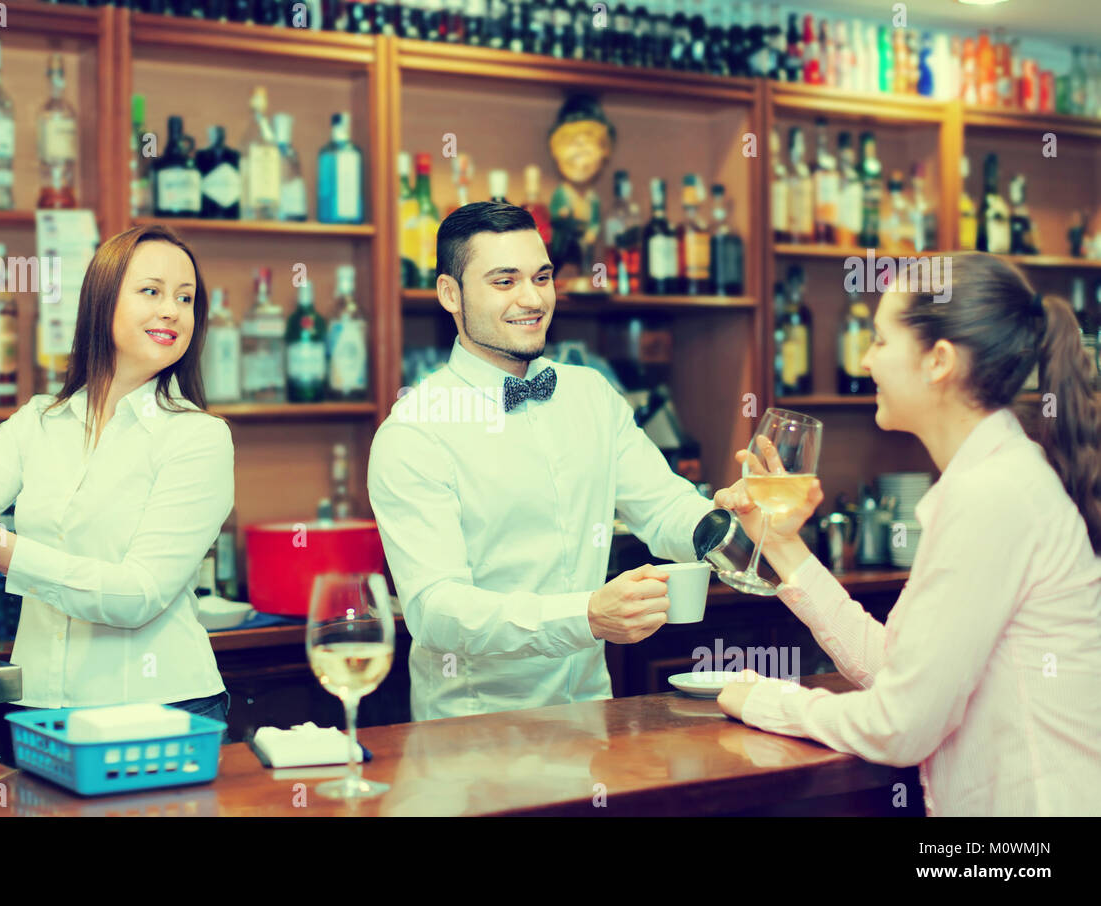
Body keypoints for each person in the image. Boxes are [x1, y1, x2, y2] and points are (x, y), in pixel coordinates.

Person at [712, 252, 1101, 816]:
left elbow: (902, 726)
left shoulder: (994, 495)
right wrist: (780, 543)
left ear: (938, 361)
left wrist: (769, 701)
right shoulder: (990, 479)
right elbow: (897, 671)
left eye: (879, 341)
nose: (865, 361)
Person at [0, 225, 235, 753]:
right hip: (40, 714)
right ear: (102, 302)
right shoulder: (39, 421)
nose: (173, 310)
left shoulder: (198, 438)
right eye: (151, 291)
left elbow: (139, 595)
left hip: (161, 712)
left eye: (186, 298)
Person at [367, 202, 716, 721]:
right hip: (474, 739)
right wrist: (586, 615)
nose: (533, 299)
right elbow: (437, 609)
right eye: (504, 281)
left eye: (542, 276)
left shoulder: (592, 395)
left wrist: (732, 524)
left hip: (594, 721)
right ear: (450, 294)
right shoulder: (415, 431)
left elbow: (665, 509)